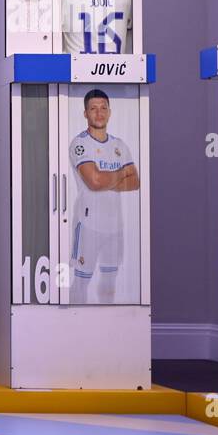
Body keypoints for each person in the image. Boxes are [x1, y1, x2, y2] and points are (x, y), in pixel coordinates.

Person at [68, 88, 139, 304]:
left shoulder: (119, 146)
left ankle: (106, 327)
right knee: (81, 281)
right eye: (93, 109)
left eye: (103, 109)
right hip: (88, 225)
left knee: (109, 282)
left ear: (109, 112)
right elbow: (94, 181)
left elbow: (135, 182)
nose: (99, 114)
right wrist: (121, 173)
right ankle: (76, 324)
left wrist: (107, 177)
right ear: (85, 113)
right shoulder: (80, 144)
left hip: (115, 226)